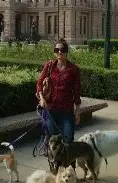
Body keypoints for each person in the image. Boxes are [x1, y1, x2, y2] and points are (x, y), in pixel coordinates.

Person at [36, 38, 81, 167]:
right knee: (53, 143)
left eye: (62, 50)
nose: (59, 52)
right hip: (51, 110)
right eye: (57, 50)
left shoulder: (74, 70)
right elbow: (39, 83)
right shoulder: (49, 66)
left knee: (68, 142)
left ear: (66, 52)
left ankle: (70, 172)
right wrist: (42, 98)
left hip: (66, 111)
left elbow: (77, 92)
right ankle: (55, 171)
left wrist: (77, 112)